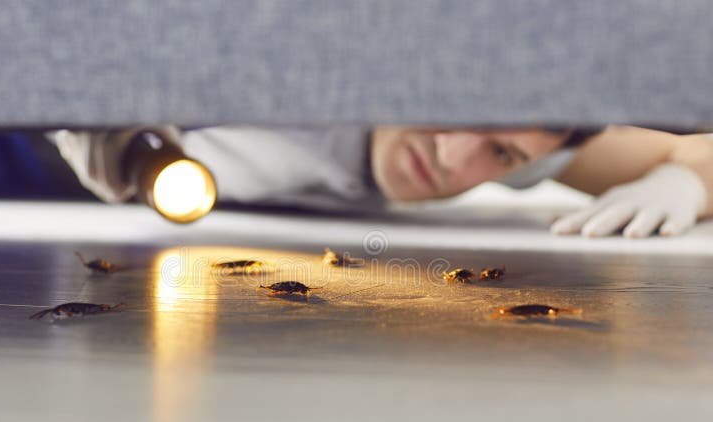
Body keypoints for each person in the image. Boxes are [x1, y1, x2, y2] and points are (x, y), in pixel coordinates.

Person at [52, 124, 713, 239]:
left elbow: (700, 151)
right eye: (462, 112)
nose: (453, 157)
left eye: (499, 153)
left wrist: (683, 182)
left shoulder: (529, 143)